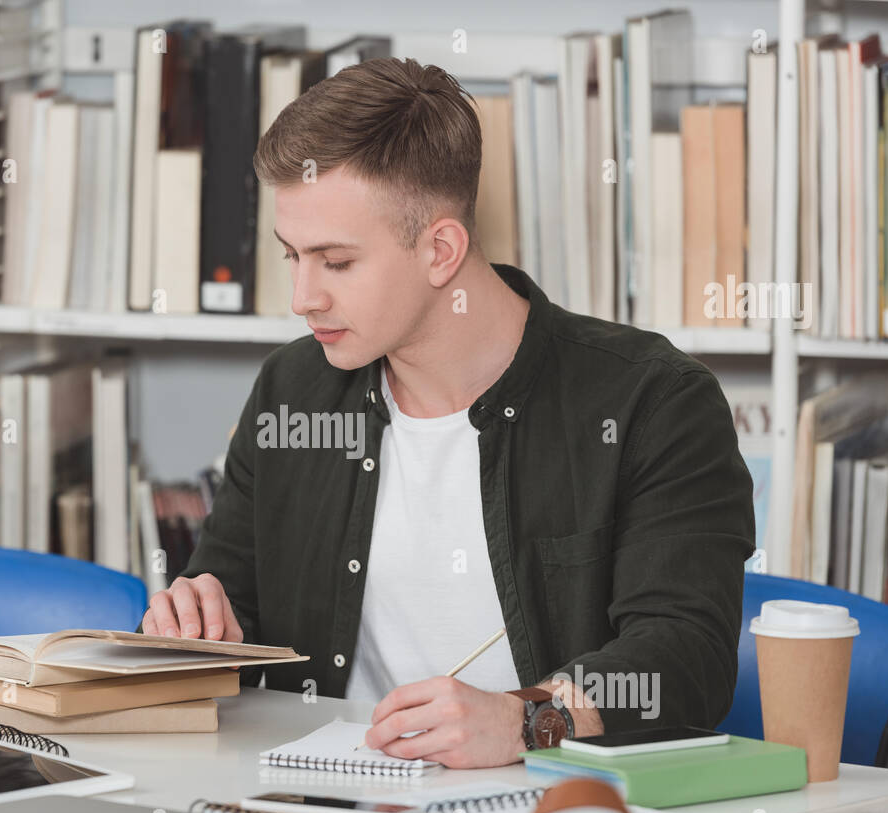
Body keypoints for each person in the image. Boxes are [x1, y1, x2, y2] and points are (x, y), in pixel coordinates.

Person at [139, 57, 755, 769]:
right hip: (317, 806)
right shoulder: (293, 390)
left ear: (441, 250)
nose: (302, 296)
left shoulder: (653, 402)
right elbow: (226, 610)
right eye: (292, 258)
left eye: (335, 262)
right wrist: (193, 627)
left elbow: (684, 663)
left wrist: (528, 722)